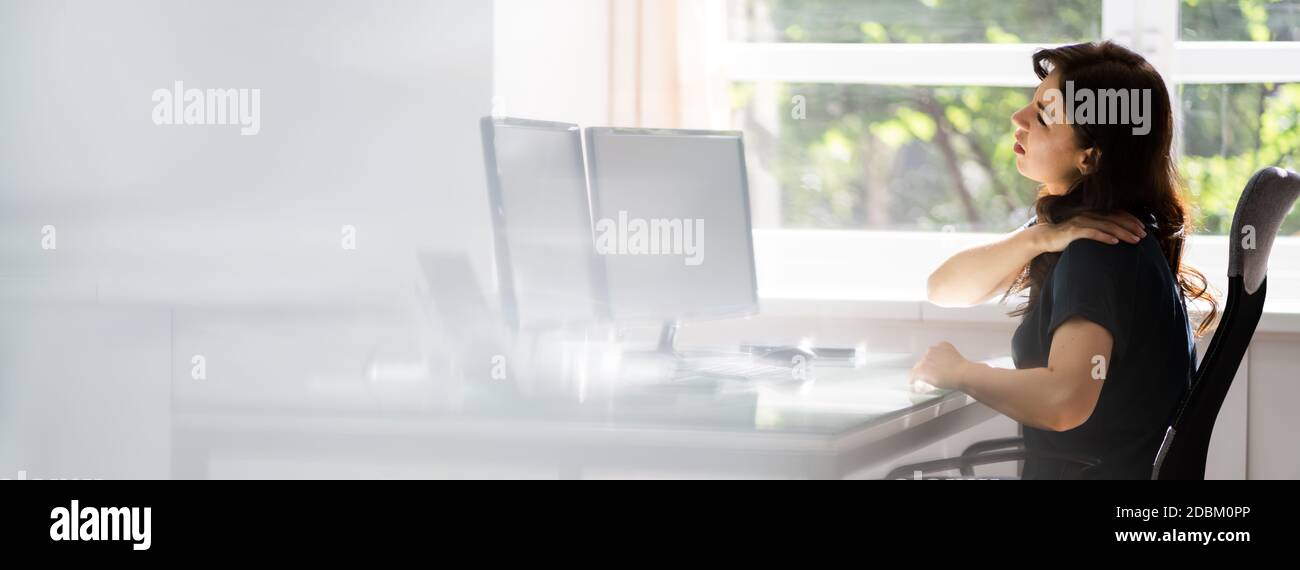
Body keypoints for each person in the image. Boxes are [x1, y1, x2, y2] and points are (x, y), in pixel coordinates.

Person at [915, 41, 1216, 480]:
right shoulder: (1089, 233)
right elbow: (942, 289)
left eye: (1043, 116)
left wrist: (961, 372)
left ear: (1089, 156)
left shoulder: (1099, 251)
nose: (1018, 119)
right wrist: (1037, 238)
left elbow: (1064, 401)